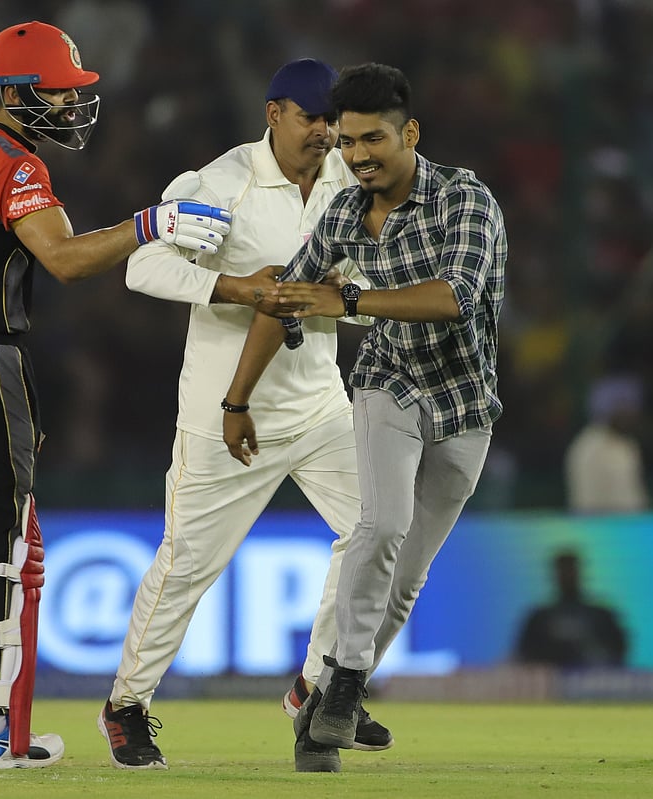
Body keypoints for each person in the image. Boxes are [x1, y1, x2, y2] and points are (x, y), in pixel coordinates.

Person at [0, 20, 230, 771]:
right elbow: (65, 260)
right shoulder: (15, 162)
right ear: (13, 92)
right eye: (59, 93)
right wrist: (150, 225)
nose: (71, 107)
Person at [99, 58, 391, 773]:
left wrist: (341, 290)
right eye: (312, 117)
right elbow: (144, 268)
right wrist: (235, 286)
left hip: (319, 402)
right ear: (274, 113)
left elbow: (363, 285)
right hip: (223, 411)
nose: (325, 131)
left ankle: (317, 690)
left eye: (334, 120)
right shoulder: (221, 183)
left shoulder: (346, 183)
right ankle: (126, 706)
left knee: (379, 533)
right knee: (188, 564)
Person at [222, 63, 507, 765]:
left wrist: (343, 301)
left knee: (406, 576)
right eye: (346, 143)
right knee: (378, 526)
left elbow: (455, 298)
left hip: (467, 404)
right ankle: (345, 685)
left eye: (372, 139)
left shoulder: (463, 198)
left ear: (410, 132)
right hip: (388, 383)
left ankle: (321, 704)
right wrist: (236, 399)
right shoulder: (345, 214)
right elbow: (288, 296)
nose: (358, 156)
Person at [515, 549, 628, 668]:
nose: (568, 575)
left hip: (593, 681)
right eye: (563, 571)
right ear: (555, 575)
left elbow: (618, 653)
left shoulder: (602, 615)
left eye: (571, 570)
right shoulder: (539, 618)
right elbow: (525, 655)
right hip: (550, 682)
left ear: (579, 573)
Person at [563, 375, 650, 513]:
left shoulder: (628, 445)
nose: (631, 414)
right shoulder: (588, 446)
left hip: (633, 528)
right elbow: (586, 504)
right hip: (601, 529)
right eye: (624, 407)